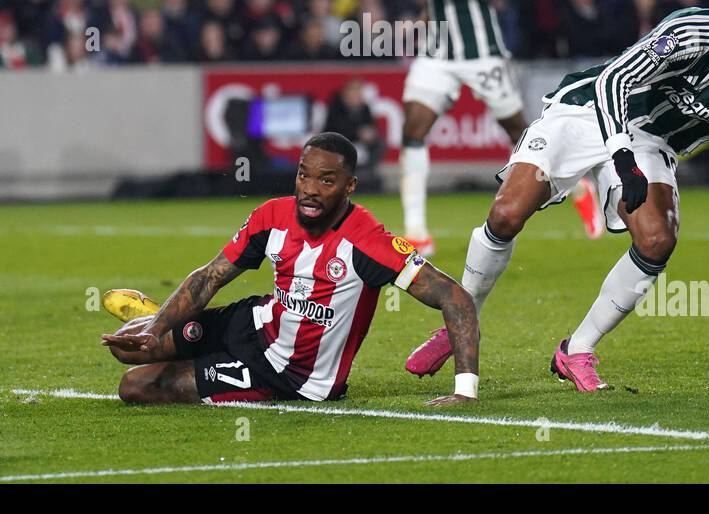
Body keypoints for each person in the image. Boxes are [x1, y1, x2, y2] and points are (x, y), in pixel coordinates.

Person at [406, 0, 709, 391]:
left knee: (657, 240)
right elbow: (614, 80)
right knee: (506, 214)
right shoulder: (693, 32)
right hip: (590, 110)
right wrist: (622, 158)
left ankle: (577, 349)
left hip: (652, 143)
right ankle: (461, 321)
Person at [100, 133, 480, 406]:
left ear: (350, 186)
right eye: (303, 175)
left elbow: (454, 296)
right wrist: (157, 329)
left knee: (134, 386)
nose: (310, 189)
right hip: (256, 322)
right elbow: (210, 277)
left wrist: (465, 390)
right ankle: (160, 320)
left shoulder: (367, 242)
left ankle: (199, 360)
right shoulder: (272, 216)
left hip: (293, 375)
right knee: (129, 345)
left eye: (326, 180)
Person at [400, 0, 603, 255]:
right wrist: (421, 23)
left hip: (481, 52)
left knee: (517, 131)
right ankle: (415, 231)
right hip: (437, 52)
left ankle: (578, 187)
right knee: (413, 128)